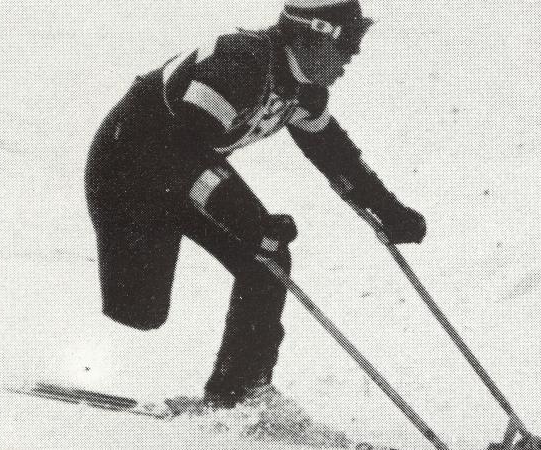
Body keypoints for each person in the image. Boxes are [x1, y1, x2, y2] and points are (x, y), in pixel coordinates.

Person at [84, 0, 426, 409]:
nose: (354, 55)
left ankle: (241, 392)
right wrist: (250, 220)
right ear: (313, 35)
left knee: (268, 259)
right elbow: (180, 145)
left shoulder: (303, 88)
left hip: (182, 176)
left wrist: (390, 211)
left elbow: (336, 155)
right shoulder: (241, 62)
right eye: (349, 42)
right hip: (127, 172)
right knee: (139, 313)